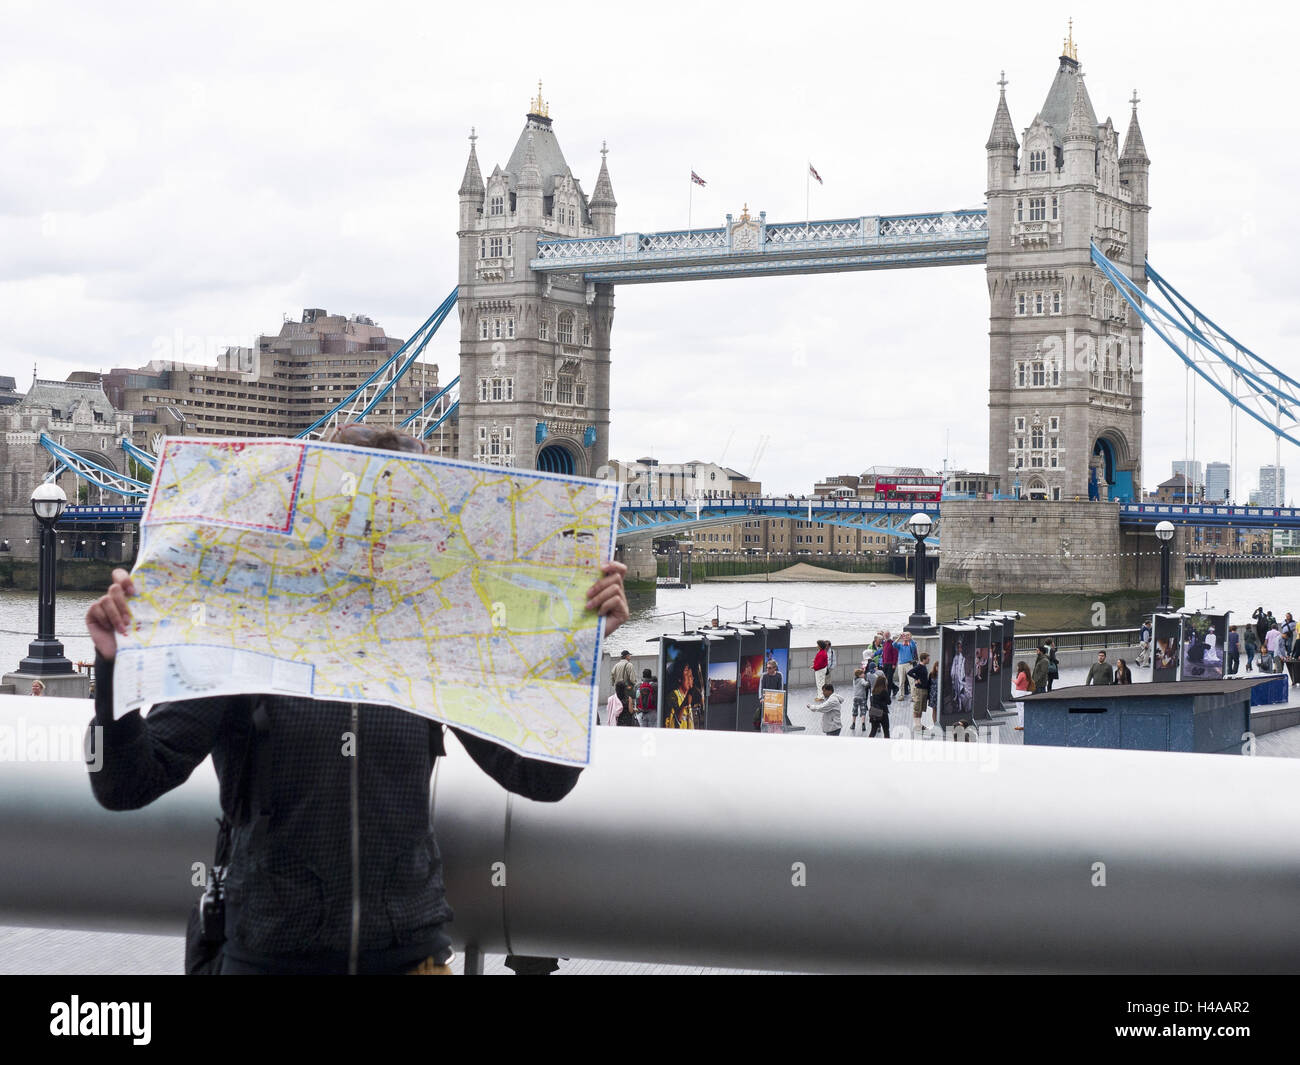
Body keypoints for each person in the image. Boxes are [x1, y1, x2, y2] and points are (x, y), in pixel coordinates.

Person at [82, 421, 632, 976]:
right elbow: (126, 783)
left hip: (409, 957)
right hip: (269, 957)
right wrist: (112, 671)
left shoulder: (429, 634)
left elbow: (541, 779)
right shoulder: (246, 629)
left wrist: (573, 652)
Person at [665, 658, 703, 729]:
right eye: (687, 674)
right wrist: (684, 703)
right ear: (679, 678)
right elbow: (673, 723)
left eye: (691, 675)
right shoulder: (672, 696)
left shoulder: (690, 695)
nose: (691, 678)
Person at [907, 652, 931, 732]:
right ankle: (917, 725)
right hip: (919, 690)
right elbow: (909, 672)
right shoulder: (919, 667)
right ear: (924, 659)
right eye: (928, 658)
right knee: (917, 708)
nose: (929, 660)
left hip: (924, 689)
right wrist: (916, 679)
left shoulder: (924, 667)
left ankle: (919, 724)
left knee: (921, 708)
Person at [867, 674, 891, 738]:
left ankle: (867, 744)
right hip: (883, 713)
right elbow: (889, 702)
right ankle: (887, 745)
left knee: (873, 731)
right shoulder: (884, 691)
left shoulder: (874, 690)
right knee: (886, 731)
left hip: (874, 712)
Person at [896, 633, 916, 697]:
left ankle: (913, 696)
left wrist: (910, 638)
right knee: (901, 681)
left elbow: (914, 647)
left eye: (907, 635)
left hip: (909, 664)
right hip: (901, 665)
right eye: (904, 636)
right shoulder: (900, 645)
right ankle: (901, 695)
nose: (906, 637)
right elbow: (893, 644)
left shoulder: (911, 644)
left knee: (912, 681)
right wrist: (899, 638)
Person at [881, 631, 899, 700]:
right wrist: (883, 663)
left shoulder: (893, 643)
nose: (886, 636)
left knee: (889, 679)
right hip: (885, 663)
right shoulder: (884, 643)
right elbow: (883, 654)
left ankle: (888, 695)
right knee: (885, 679)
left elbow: (895, 655)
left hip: (891, 664)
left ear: (890, 635)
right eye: (885, 635)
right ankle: (895, 688)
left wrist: (894, 664)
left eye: (887, 634)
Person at [850, 667, 868, 732]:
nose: (864, 674)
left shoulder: (854, 680)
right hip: (862, 697)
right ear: (859, 675)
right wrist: (868, 682)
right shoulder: (861, 680)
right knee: (863, 711)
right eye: (863, 674)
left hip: (855, 697)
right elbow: (865, 684)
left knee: (854, 711)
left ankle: (853, 724)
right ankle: (863, 724)